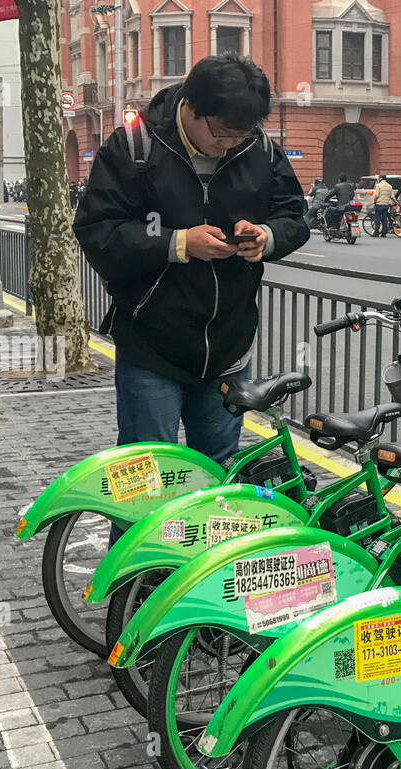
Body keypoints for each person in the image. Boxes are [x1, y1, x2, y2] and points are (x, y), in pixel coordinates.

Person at [74, 54, 309, 471]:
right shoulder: (134, 146)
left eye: (242, 134)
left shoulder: (259, 147)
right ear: (191, 107)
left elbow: (293, 215)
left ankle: (208, 541)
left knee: (218, 474)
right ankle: (141, 540)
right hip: (152, 347)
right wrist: (177, 243)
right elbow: (98, 229)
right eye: (221, 134)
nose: (230, 145)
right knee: (146, 478)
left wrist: (267, 237)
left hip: (228, 348)